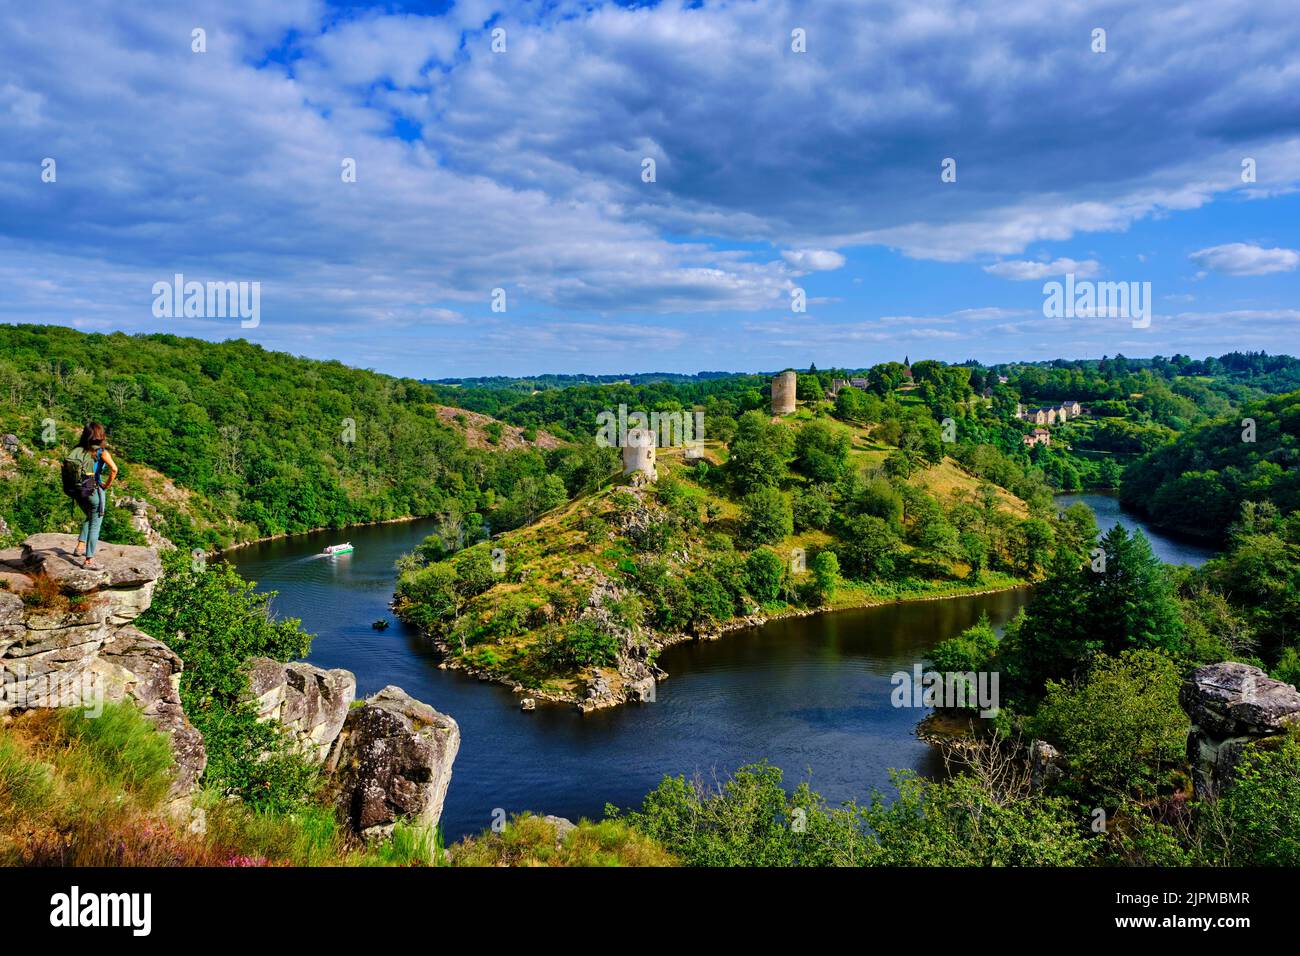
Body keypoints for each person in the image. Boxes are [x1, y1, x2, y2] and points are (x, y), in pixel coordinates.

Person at [69, 422, 118, 568]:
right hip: (93, 489)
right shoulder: (101, 452)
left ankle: (80, 547)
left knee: (90, 516)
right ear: (101, 436)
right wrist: (106, 485)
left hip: (78, 490)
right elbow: (114, 469)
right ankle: (89, 560)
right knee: (96, 523)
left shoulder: (77, 450)